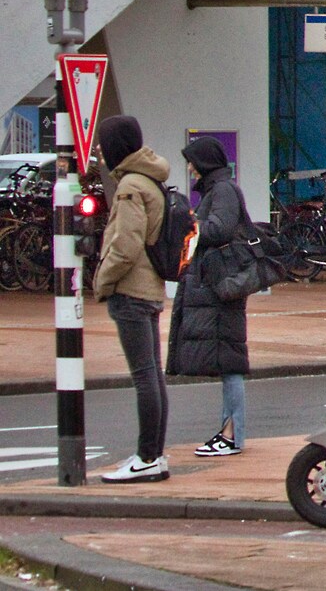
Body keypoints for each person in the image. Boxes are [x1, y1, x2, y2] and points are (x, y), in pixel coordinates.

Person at [92, 115, 173, 484]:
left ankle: (146, 457)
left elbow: (125, 246)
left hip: (131, 291)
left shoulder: (129, 187)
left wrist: (102, 282)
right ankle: (154, 455)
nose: (99, 152)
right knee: (153, 376)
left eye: (103, 146)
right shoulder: (150, 180)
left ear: (115, 148)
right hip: (151, 289)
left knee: (144, 377)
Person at [167, 135, 252, 457]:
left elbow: (219, 229)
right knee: (226, 361)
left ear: (203, 163)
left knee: (229, 363)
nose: (189, 167)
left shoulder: (224, 191)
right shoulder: (218, 190)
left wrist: (188, 222)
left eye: (192, 161)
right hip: (215, 288)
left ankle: (232, 434)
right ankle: (229, 432)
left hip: (221, 290)